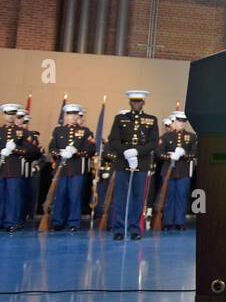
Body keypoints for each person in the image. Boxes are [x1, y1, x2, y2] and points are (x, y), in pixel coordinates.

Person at [106, 91, 159, 241]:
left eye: (139, 101)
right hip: (122, 162)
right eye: (134, 101)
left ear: (143, 103)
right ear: (130, 103)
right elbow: (113, 140)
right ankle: (119, 229)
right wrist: (127, 152)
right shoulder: (120, 119)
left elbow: (153, 142)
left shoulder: (151, 120)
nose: (136, 104)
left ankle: (135, 229)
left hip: (141, 162)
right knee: (120, 197)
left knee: (138, 197)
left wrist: (136, 151)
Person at [47, 104, 96, 232]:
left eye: (75, 114)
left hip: (76, 168)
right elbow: (51, 148)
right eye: (70, 114)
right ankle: (58, 221)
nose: (72, 117)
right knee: (60, 195)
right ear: (66, 116)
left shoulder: (86, 131)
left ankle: (73, 222)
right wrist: (60, 153)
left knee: (75, 196)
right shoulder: (58, 131)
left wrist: (76, 152)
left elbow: (91, 149)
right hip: (61, 169)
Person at [158, 111, 197, 230]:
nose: (182, 124)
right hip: (168, 171)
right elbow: (159, 153)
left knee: (181, 196)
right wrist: (169, 156)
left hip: (183, 171)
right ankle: (168, 222)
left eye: (184, 122)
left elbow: (194, 153)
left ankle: (179, 222)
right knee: (168, 196)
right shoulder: (166, 136)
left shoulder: (191, 136)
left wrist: (184, 153)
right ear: (174, 122)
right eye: (179, 121)